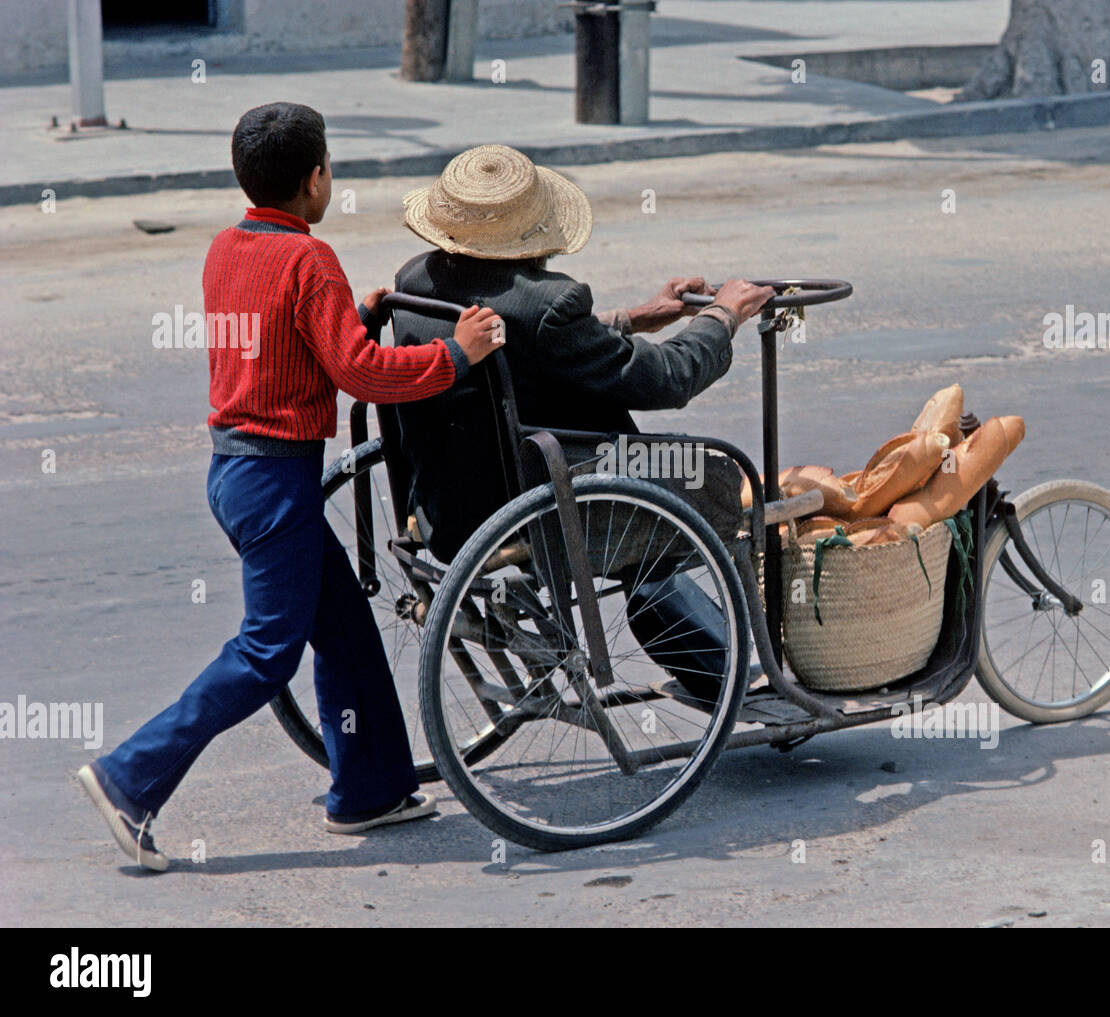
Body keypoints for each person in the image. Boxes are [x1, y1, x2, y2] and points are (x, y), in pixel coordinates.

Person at [77, 102, 504, 872]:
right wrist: (458, 352)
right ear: (316, 180)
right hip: (275, 479)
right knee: (266, 653)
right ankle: (129, 776)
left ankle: (370, 789)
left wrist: (354, 316)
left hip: (239, 471)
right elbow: (358, 374)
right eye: (329, 168)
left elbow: (284, 344)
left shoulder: (227, 247)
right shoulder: (311, 260)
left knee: (339, 625)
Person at [388, 144, 772, 704]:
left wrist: (642, 315)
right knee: (711, 474)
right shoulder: (548, 302)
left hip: (450, 504)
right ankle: (734, 665)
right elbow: (666, 378)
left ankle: (708, 654)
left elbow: (536, 343)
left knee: (648, 479)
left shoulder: (417, 279)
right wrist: (723, 316)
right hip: (540, 496)